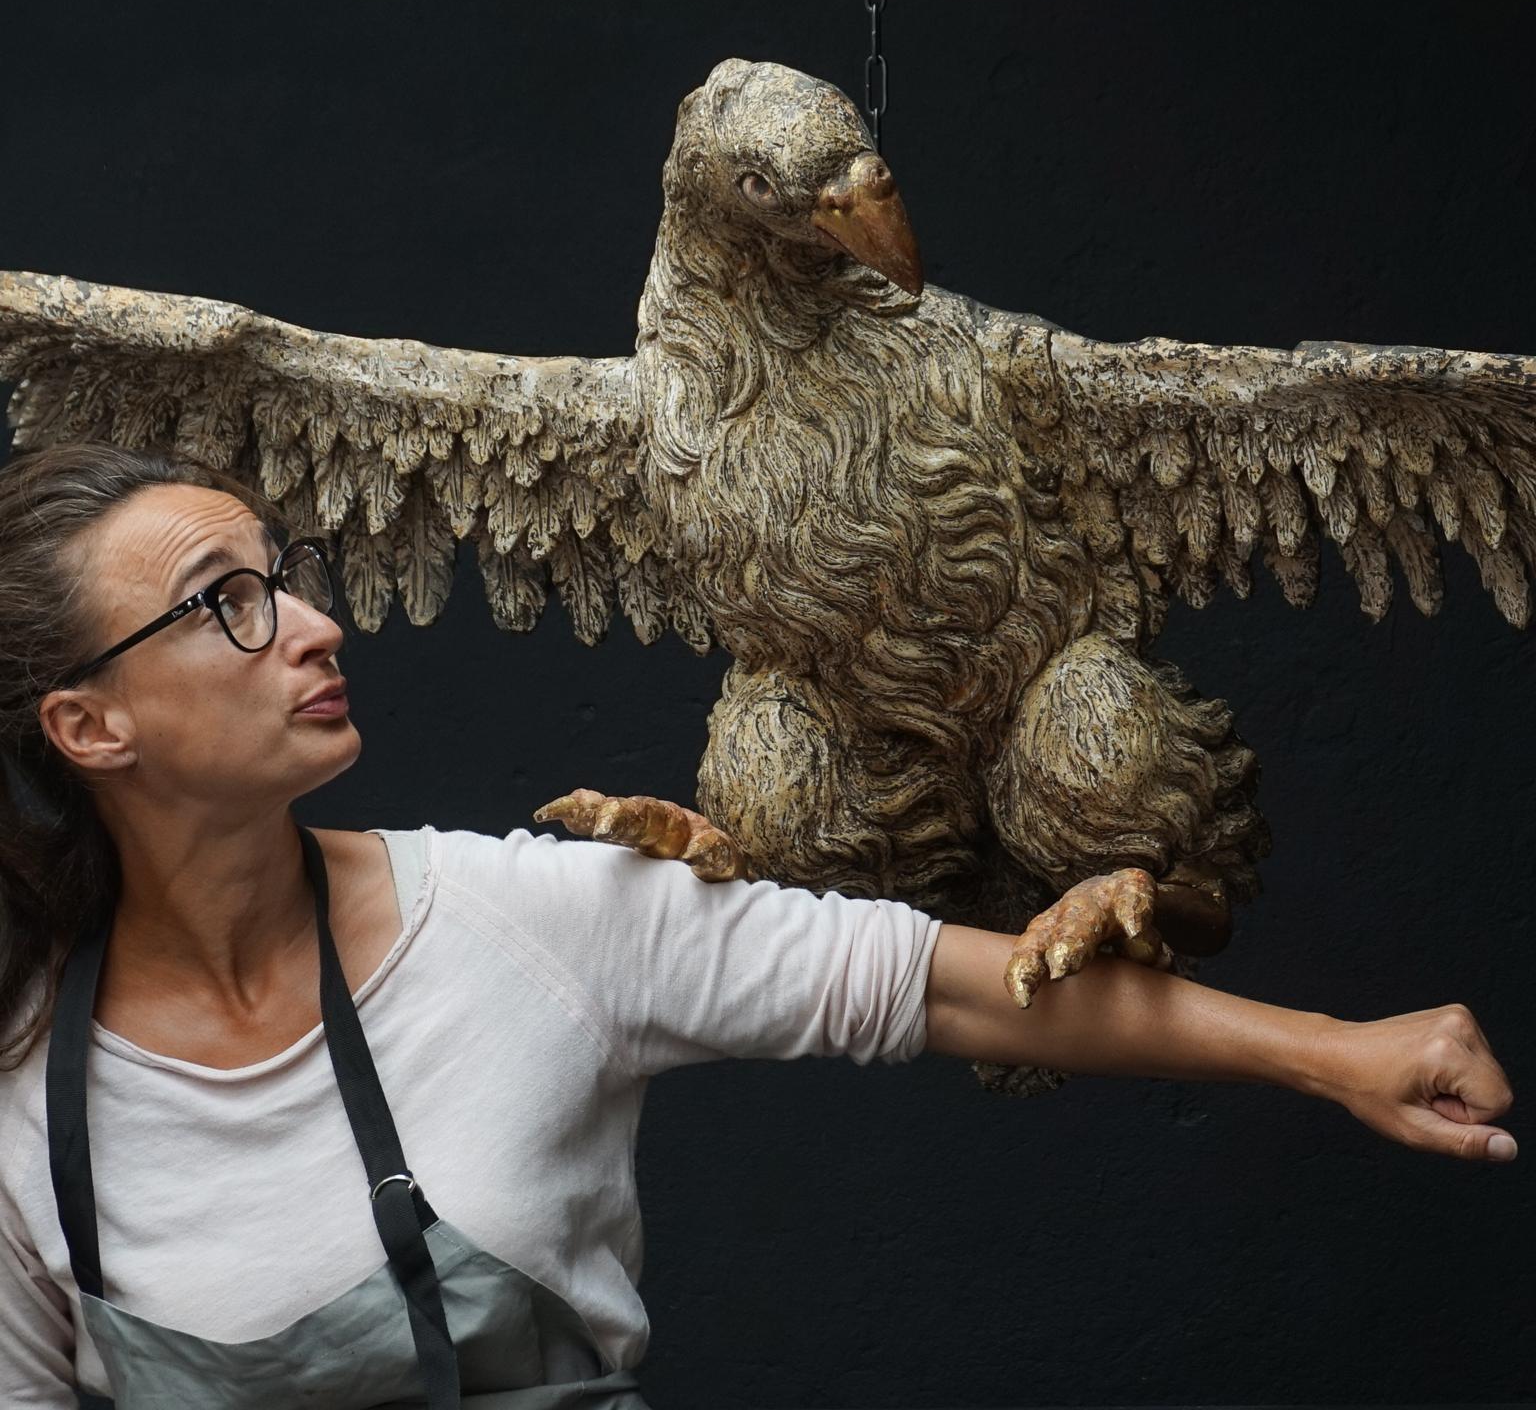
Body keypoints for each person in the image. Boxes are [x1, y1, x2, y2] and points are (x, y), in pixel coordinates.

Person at [0, 441, 1515, 1410]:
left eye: (292, 577)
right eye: (226, 603)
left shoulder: (531, 915)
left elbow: (964, 990)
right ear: (89, 724)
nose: (315, 624)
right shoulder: (20, 1102)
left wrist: (1340, 1054)